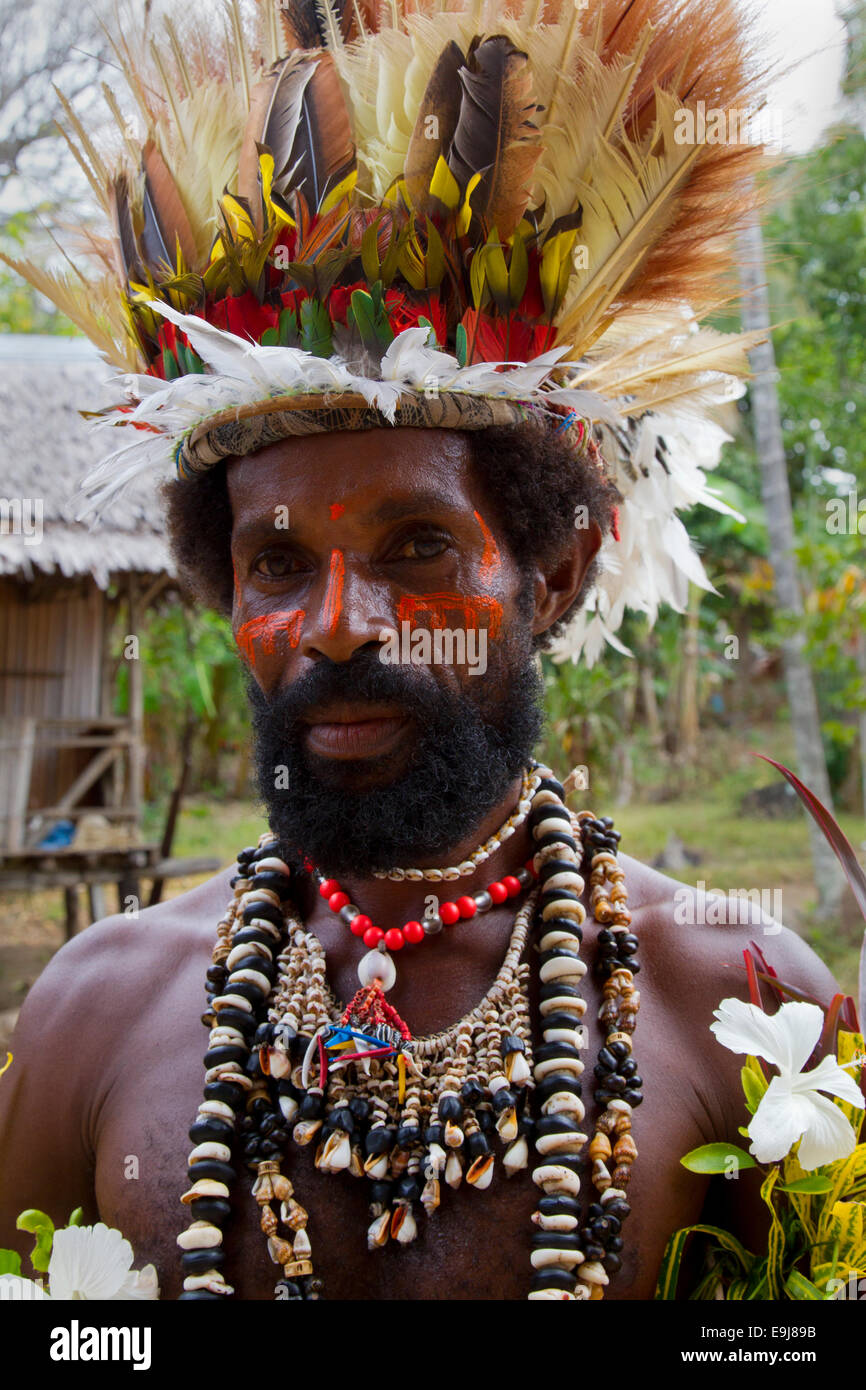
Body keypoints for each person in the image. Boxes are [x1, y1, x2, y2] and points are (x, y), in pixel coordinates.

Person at [0, 0, 840, 1300]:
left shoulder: (744, 1001)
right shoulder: (92, 1011)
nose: (336, 621)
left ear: (550, 574)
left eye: (414, 548)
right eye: (276, 562)